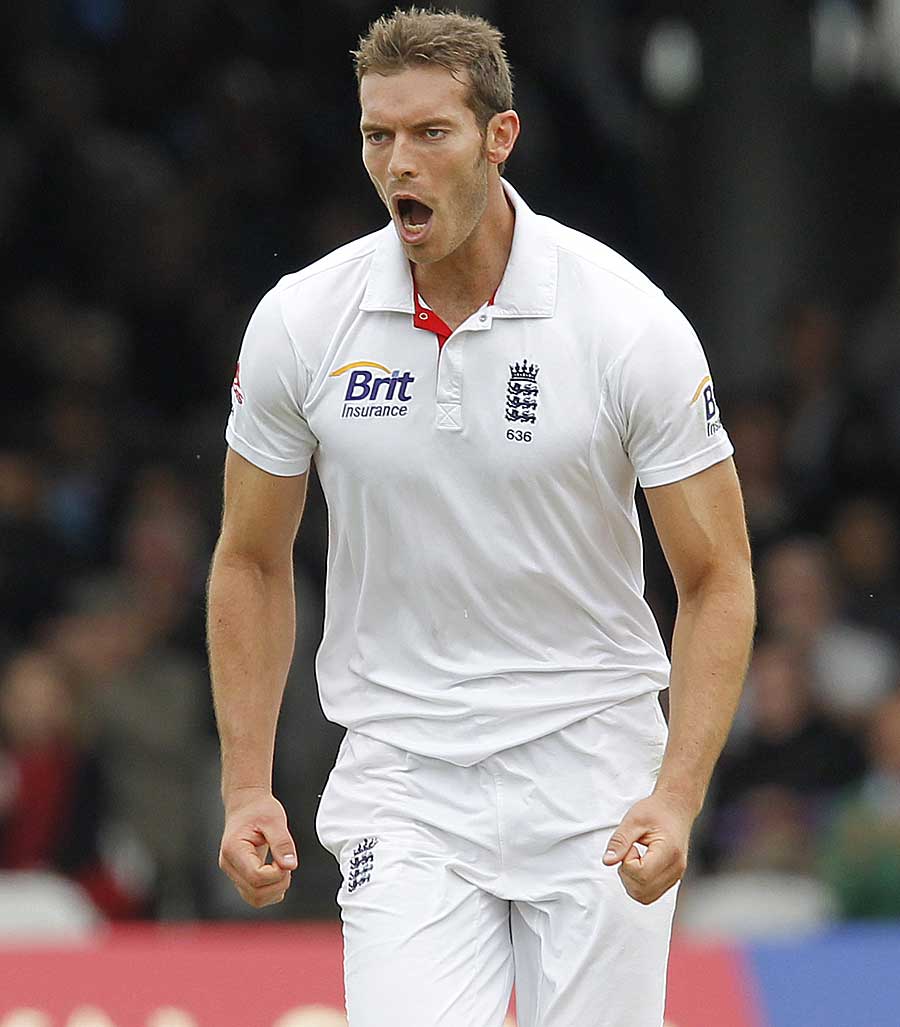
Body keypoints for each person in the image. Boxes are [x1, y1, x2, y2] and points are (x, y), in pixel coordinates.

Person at [207, 9, 755, 1027]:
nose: (398, 163)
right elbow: (250, 559)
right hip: (404, 781)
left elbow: (718, 577)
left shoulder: (627, 322)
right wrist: (247, 786)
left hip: (593, 769)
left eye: (430, 134)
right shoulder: (301, 320)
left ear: (499, 139)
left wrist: (677, 794)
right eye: (379, 135)